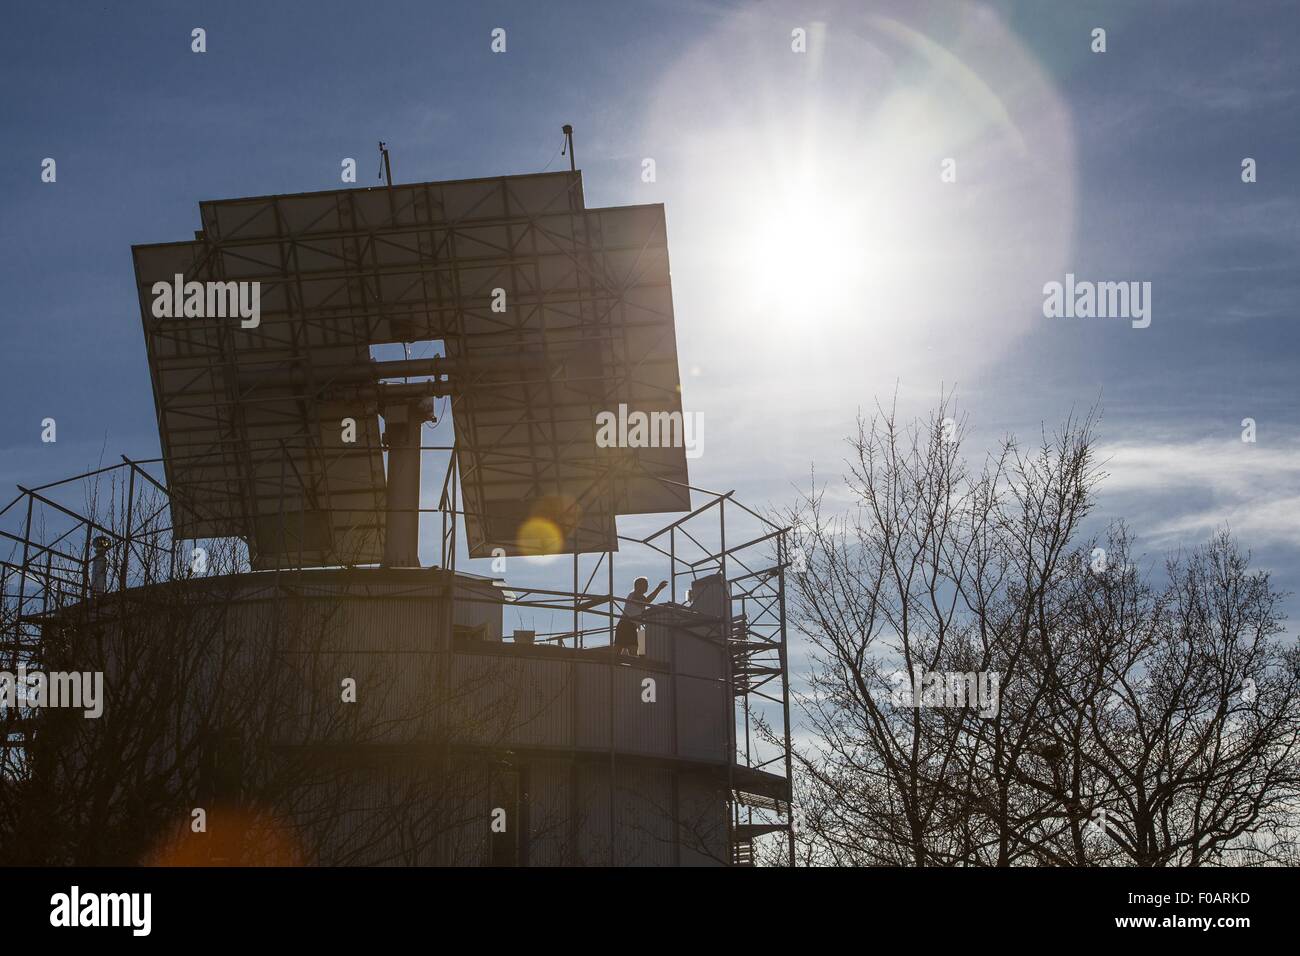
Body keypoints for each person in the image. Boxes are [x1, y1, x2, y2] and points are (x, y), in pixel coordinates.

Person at [614, 576, 667, 658]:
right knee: (624, 650)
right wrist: (658, 588)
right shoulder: (635, 594)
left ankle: (619, 665)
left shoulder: (638, 596)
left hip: (629, 626)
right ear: (638, 586)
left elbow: (644, 603)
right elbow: (647, 601)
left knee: (629, 650)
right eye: (645, 584)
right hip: (626, 625)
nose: (647, 586)